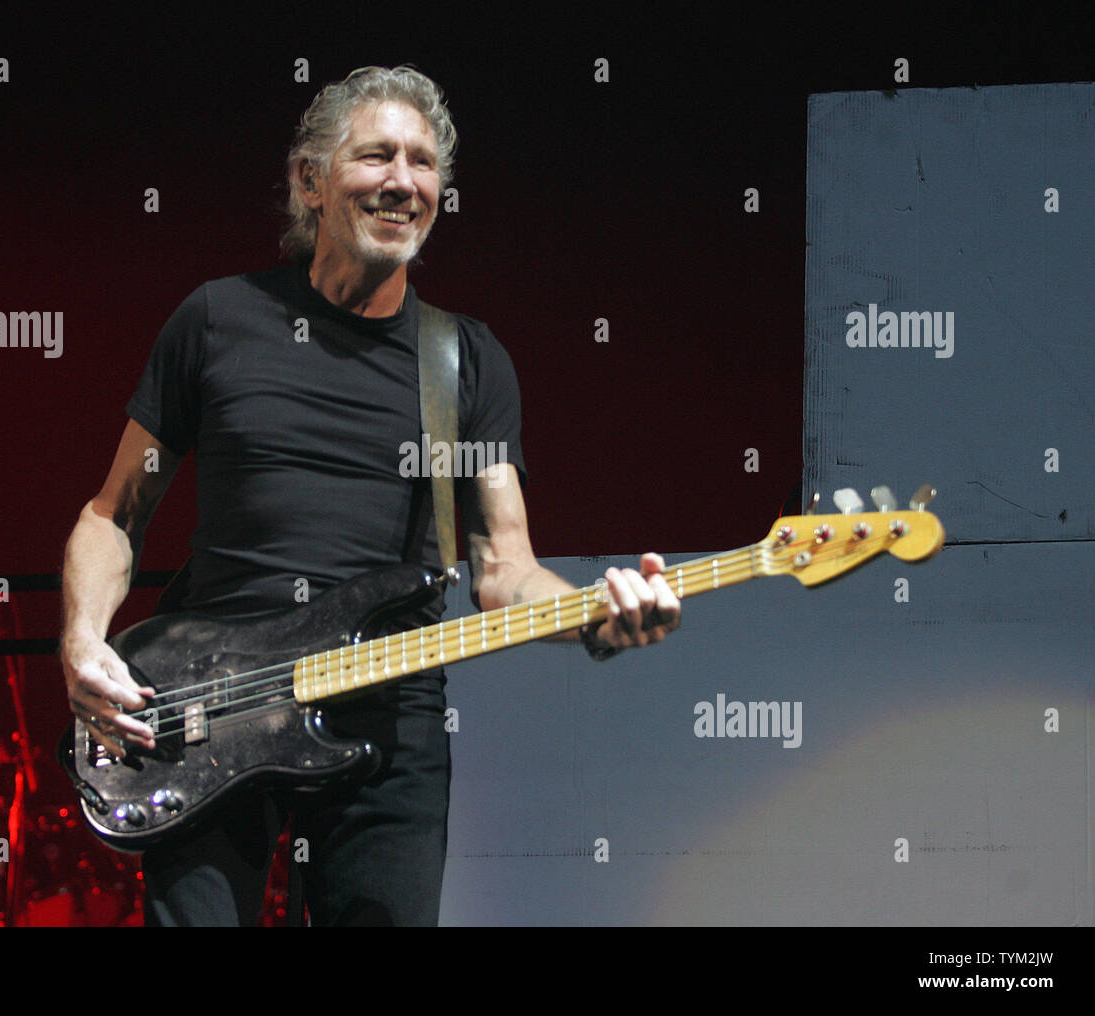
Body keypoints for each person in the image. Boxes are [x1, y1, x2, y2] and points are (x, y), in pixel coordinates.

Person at [59, 65, 681, 926]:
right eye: (377, 156)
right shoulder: (214, 321)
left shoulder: (465, 363)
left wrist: (597, 621)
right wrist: (84, 639)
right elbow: (114, 515)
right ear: (308, 181)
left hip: (391, 709)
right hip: (207, 698)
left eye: (423, 163)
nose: (403, 181)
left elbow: (505, 572)